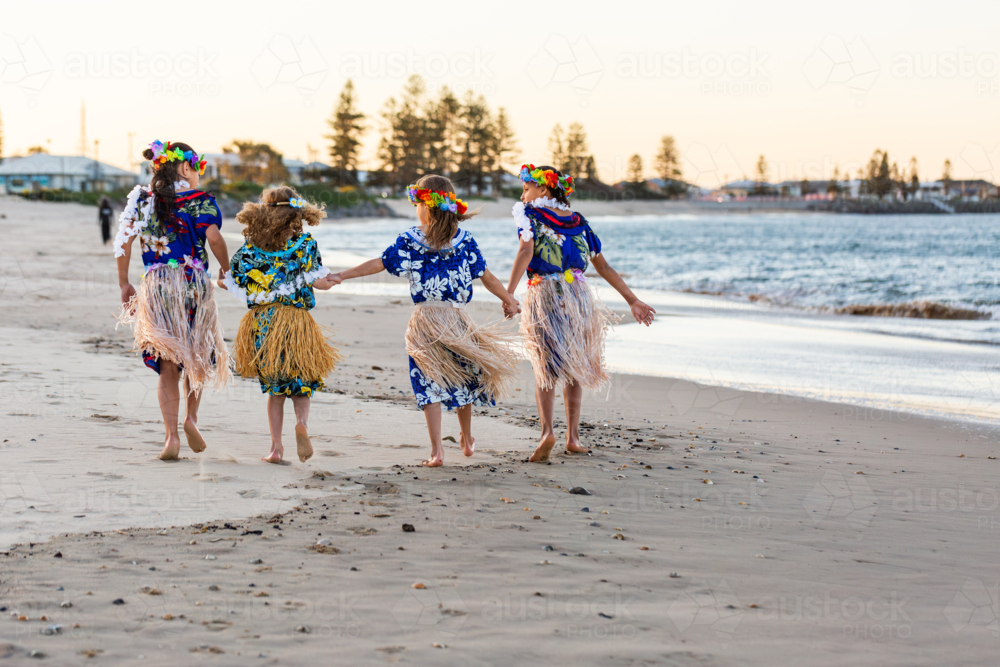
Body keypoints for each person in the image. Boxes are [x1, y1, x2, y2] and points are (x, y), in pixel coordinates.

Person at [331, 175, 521, 467]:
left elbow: (379, 263)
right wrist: (507, 299)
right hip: (456, 322)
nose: (415, 209)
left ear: (426, 206)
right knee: (461, 379)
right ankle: (467, 439)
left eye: (417, 203)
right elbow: (487, 277)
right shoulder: (465, 241)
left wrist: (342, 275)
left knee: (427, 382)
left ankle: (437, 451)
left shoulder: (411, 239)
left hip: (425, 323)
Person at [506, 164, 656, 462]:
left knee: (545, 367)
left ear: (544, 189)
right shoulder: (578, 221)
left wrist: (508, 293)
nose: (523, 195)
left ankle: (547, 432)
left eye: (526, 188)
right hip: (579, 296)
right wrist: (633, 300)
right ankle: (572, 437)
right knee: (575, 365)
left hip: (544, 294)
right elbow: (603, 266)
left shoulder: (530, 216)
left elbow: (525, 252)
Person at [114, 140, 231, 460]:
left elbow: (124, 240)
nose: (197, 177)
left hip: (158, 285)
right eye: (196, 169)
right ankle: (191, 418)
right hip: (193, 285)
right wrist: (226, 268)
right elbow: (215, 237)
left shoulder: (141, 201)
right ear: (184, 167)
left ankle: (171, 439)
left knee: (168, 365)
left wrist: (124, 283)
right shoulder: (201, 202)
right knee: (194, 357)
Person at [224, 186, 341, 464]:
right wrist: (334, 279)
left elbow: (235, 279)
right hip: (297, 323)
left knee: (276, 390)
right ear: (297, 214)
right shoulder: (305, 245)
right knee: (301, 383)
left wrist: (218, 280)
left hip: (265, 324)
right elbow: (318, 280)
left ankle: (276, 448)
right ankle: (302, 423)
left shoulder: (251, 247)